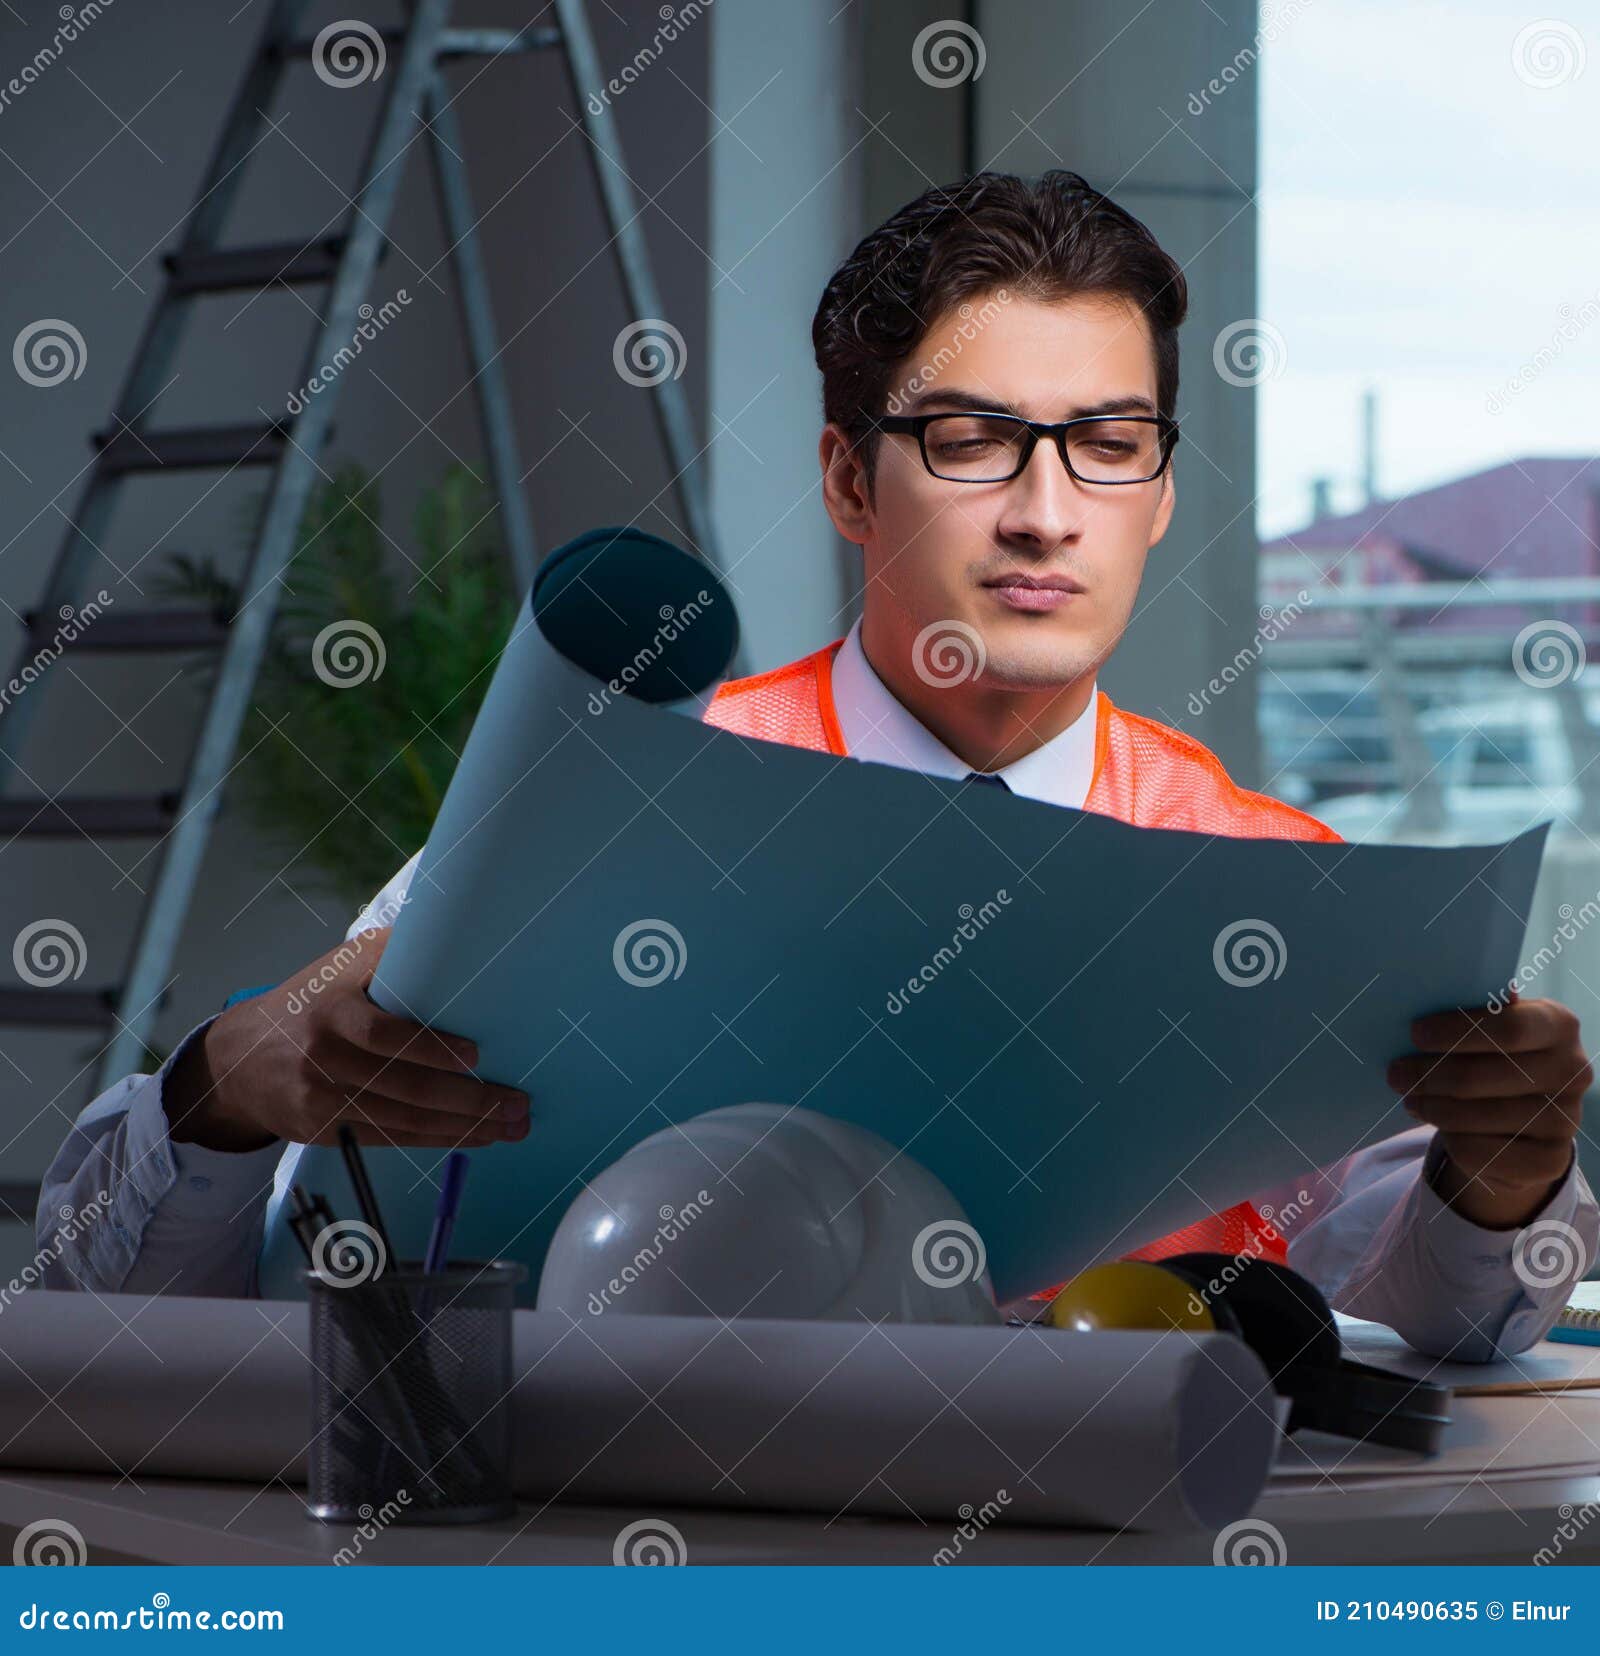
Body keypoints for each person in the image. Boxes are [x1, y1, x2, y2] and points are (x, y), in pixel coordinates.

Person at [37, 171, 1596, 1358]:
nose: (1048, 514)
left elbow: (1439, 1328)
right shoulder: (596, 814)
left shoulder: (1284, 891)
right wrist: (229, 1086)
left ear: (1161, 491)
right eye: (976, 442)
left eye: (1109, 444)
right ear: (852, 478)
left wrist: (1502, 1183)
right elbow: (98, 1296)